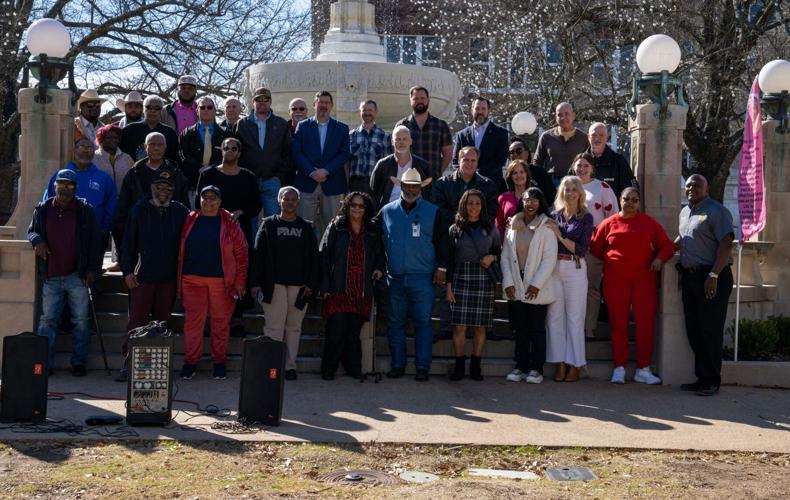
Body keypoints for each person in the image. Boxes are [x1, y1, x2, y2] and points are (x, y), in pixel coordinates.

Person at [590, 187, 675, 384]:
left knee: (645, 324)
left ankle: (643, 369)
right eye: (626, 199)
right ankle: (619, 367)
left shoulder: (649, 223)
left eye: (634, 200)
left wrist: (660, 259)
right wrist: (612, 261)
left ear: (639, 203)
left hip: (644, 279)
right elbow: (595, 248)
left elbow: (668, 246)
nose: (630, 203)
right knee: (618, 324)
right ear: (620, 200)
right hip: (615, 280)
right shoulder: (608, 223)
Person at [29, 169, 103, 376]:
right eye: (61, 184)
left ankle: (78, 362)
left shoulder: (84, 210)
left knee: (80, 321)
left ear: (75, 188)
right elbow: (31, 230)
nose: (65, 189)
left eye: (69, 185)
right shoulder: (43, 209)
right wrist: (37, 240)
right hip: (51, 275)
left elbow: (95, 243)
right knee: (47, 321)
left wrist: (91, 270)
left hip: (76, 275)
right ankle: (45, 364)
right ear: (54, 187)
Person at [378, 168, 448, 381]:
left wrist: (442, 269)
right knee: (395, 323)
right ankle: (398, 365)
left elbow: (443, 243)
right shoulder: (386, 211)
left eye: (414, 186)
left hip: (423, 277)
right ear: (400, 186)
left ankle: (422, 367)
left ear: (421, 187)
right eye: (406, 185)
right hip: (395, 277)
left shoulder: (434, 211)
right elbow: (376, 242)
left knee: (423, 323)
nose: (410, 189)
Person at [118, 172, 188, 380]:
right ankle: (130, 364)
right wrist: (127, 271)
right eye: (159, 187)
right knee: (137, 323)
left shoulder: (181, 212)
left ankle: (159, 368)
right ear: (151, 188)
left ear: (173, 191)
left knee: (163, 324)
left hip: (168, 278)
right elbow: (128, 244)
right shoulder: (138, 210)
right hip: (142, 277)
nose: (162, 192)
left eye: (167, 188)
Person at [177, 185, 248, 380]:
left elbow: (242, 252)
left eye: (213, 198)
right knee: (193, 323)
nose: (208, 202)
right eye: (204, 197)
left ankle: (219, 362)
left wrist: (240, 280)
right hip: (191, 279)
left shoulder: (230, 222)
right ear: (199, 200)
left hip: (221, 281)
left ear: (220, 201)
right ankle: (190, 362)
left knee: (220, 323)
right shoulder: (190, 219)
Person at [250, 187, 320, 381]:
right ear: (279, 201)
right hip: (274, 285)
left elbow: (315, 259)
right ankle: (272, 366)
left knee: (294, 326)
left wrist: (311, 284)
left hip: (299, 286)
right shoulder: (268, 224)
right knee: (274, 327)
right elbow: (258, 256)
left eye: (293, 199)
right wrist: (255, 283)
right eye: (285, 198)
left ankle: (289, 366)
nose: (289, 202)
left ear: (297, 203)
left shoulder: (306, 227)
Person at [195, 137, 262, 336]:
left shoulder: (248, 176)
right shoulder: (208, 174)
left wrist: (241, 211)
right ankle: (211, 319)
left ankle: (236, 319)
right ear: (221, 151)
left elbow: (256, 204)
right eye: (227, 148)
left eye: (234, 148)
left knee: (238, 273)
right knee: (213, 274)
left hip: (238, 230)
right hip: (212, 229)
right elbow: (199, 200)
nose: (230, 151)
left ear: (239, 153)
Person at [676, 174, 734, 396]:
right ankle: (702, 378)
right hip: (690, 278)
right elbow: (682, 239)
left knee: (710, 330)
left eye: (697, 185)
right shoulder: (685, 212)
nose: (692, 188)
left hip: (712, 277)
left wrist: (714, 274)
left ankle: (712, 381)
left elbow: (726, 244)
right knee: (694, 329)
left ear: (706, 187)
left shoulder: (717, 211)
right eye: (688, 185)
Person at [432, 146, 498, 340]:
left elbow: (492, 209)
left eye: (473, 161)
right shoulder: (443, 184)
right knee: (449, 277)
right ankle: (446, 326)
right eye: (465, 160)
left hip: (480, 238)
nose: (469, 164)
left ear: (477, 163)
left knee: (484, 284)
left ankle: (487, 326)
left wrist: (475, 220)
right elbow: (438, 208)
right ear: (457, 161)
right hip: (451, 237)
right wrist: (462, 219)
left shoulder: (488, 185)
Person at [319, 192, 384, 380]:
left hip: (360, 290)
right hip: (338, 288)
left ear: (366, 209)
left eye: (361, 206)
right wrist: (325, 288)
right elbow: (324, 256)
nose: (357, 208)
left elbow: (380, 255)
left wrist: (379, 268)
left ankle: (353, 369)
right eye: (353, 205)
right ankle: (328, 369)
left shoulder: (372, 230)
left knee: (353, 334)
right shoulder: (336, 227)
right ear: (347, 207)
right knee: (336, 331)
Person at [501, 187, 558, 384]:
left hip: (537, 286)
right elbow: (506, 257)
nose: (530, 203)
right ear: (522, 202)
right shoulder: (512, 225)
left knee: (536, 328)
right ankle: (520, 366)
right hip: (516, 282)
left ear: (541, 203)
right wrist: (508, 282)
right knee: (520, 328)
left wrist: (536, 284)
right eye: (527, 200)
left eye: (535, 200)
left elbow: (550, 259)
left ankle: (536, 368)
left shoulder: (547, 226)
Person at [446, 189, 501, 381]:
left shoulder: (491, 228)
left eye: (477, 203)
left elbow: (500, 254)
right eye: (470, 203)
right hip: (461, 276)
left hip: (483, 278)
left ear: (482, 206)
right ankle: (460, 364)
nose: (473, 207)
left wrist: (491, 256)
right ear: (464, 205)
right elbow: (450, 260)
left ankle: (476, 365)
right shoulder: (455, 229)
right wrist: (448, 286)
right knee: (459, 327)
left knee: (480, 327)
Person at [545, 176, 594, 382]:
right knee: (554, 317)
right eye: (567, 189)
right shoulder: (554, 215)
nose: (570, 193)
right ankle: (560, 363)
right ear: (561, 192)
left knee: (575, 318)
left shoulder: (586, 217)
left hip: (575, 267)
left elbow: (581, 249)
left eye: (574, 189)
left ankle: (575, 364)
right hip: (554, 268)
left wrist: (559, 235)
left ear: (580, 193)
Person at [568, 153, 618, 342]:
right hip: (569, 246)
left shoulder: (602, 188)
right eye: (579, 165)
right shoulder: (567, 186)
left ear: (592, 168)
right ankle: (572, 326)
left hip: (593, 247)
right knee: (571, 288)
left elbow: (613, 217)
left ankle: (589, 328)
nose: (582, 169)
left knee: (591, 288)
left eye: (586, 165)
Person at [115, 132, 190, 258]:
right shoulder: (134, 174)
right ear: (145, 147)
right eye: (152, 144)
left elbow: (185, 205)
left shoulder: (176, 174)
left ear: (165, 147)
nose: (156, 148)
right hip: (140, 233)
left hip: (170, 234)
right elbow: (123, 208)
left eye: (160, 145)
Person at [293, 90, 350, 235]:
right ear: (314, 104)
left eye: (327, 102)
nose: (323, 105)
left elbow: (344, 154)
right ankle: (307, 257)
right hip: (307, 183)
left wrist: (326, 171)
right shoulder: (303, 126)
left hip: (332, 183)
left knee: (332, 228)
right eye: (320, 102)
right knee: (304, 228)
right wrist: (312, 172)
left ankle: (328, 257)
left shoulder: (342, 128)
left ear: (331, 106)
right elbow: (297, 153)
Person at [236, 87, 293, 220]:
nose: (262, 102)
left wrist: (279, 177)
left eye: (266, 99)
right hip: (249, 180)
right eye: (258, 99)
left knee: (272, 221)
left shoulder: (281, 124)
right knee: (250, 220)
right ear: (252, 102)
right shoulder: (242, 124)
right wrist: (242, 176)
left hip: (272, 181)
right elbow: (237, 152)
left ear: (270, 102)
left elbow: (288, 154)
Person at [44, 139, 117, 241]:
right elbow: (48, 203)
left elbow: (112, 206)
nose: (85, 150)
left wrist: (104, 230)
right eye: (81, 147)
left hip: (94, 237)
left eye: (89, 148)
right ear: (73, 151)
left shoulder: (104, 178)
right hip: (62, 236)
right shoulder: (59, 177)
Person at [93, 124, 134, 272]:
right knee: (101, 237)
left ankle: (122, 264)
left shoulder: (127, 158)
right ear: (100, 139)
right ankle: (96, 267)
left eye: (115, 137)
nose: (112, 140)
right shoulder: (93, 158)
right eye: (108, 137)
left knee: (121, 236)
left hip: (122, 204)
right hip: (101, 204)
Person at [395, 86, 453, 180]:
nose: (419, 101)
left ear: (428, 100)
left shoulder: (441, 125)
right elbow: (396, 152)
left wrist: (438, 172)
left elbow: (448, 154)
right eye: (416, 99)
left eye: (422, 98)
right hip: (408, 179)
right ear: (410, 101)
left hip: (432, 179)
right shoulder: (402, 126)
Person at [451, 97, 509, 188]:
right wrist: (465, 175)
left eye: (483, 109)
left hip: (491, 185)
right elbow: (455, 161)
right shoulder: (461, 135)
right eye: (477, 108)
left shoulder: (501, 133)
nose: (480, 112)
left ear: (488, 111)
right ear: (472, 110)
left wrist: (477, 174)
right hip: (465, 186)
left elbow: (500, 160)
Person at [369, 125, 432, 209]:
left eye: (404, 139)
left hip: (417, 210)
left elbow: (430, 193)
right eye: (398, 139)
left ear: (411, 141)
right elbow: (373, 192)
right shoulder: (383, 165)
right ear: (392, 142)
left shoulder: (423, 166)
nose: (401, 142)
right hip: (389, 209)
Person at [179, 97, 228, 192]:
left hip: (220, 182)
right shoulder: (186, 133)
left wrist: (211, 168)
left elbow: (230, 156)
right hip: (193, 184)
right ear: (197, 110)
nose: (206, 110)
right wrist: (199, 168)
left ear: (215, 110)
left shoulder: (226, 133)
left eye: (209, 107)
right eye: (202, 107)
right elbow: (182, 155)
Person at [533, 102, 588, 182]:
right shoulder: (547, 136)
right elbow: (537, 162)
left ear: (573, 116)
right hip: (552, 182)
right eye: (560, 115)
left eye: (566, 114)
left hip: (576, 182)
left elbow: (590, 162)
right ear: (556, 118)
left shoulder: (583, 138)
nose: (563, 117)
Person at [119, 95, 180, 164]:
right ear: (143, 109)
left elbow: (174, 159)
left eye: (157, 108)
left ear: (161, 111)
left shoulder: (170, 133)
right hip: (134, 172)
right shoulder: (128, 130)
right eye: (149, 107)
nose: (153, 111)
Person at [348, 100, 392, 194]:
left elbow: (389, 165)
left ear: (375, 112)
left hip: (376, 184)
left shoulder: (385, 136)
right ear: (360, 112)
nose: (367, 113)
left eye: (370, 110)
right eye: (364, 110)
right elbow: (346, 163)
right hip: (355, 184)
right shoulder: (351, 136)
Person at [587, 122, 638, 199]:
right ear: (588, 137)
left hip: (612, 210)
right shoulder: (580, 161)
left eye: (601, 135)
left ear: (606, 137)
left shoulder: (618, 161)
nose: (597, 138)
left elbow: (631, 189)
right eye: (594, 135)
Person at [509, 140, 556, 204]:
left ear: (527, 153)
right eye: (511, 152)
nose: (515, 154)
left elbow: (551, 195)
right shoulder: (508, 174)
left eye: (519, 150)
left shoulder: (540, 172)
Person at [495, 159, 531, 241]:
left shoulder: (535, 196)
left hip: (530, 244)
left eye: (522, 172)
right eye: (515, 173)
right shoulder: (503, 198)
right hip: (507, 243)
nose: (519, 176)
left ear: (526, 174)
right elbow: (498, 224)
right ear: (511, 176)